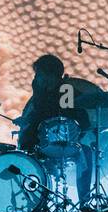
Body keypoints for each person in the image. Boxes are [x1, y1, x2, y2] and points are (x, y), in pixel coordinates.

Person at [17, 53, 91, 199]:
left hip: (64, 140)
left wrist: (74, 133)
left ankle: (84, 200)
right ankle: (33, 200)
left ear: (50, 75)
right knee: (25, 146)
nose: (36, 78)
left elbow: (68, 115)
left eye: (39, 74)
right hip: (41, 140)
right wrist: (26, 120)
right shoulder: (40, 90)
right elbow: (39, 113)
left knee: (86, 153)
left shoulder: (65, 90)